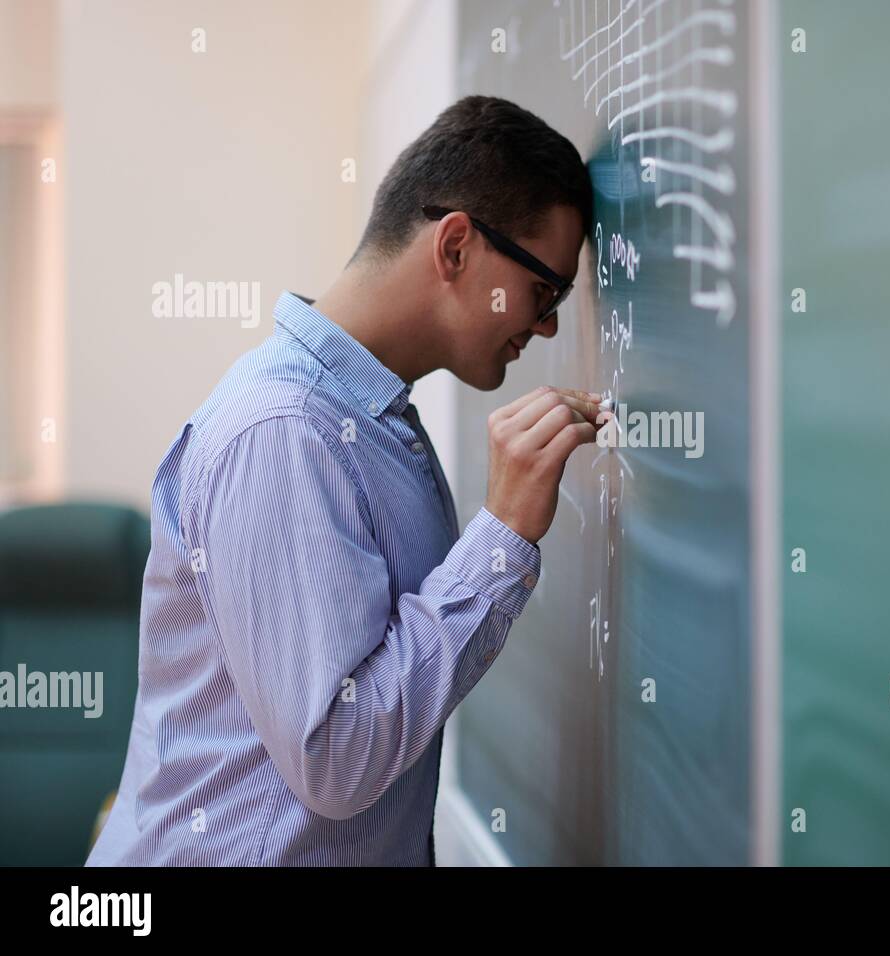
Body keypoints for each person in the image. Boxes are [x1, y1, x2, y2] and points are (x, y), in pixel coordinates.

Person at [87, 95, 604, 865]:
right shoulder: (285, 432)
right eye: (545, 291)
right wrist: (500, 540)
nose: (552, 325)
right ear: (456, 247)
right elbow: (337, 758)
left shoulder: (370, 419)